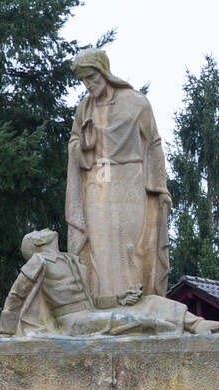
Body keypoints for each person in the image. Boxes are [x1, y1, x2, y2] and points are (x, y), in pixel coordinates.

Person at [66, 49, 171, 306]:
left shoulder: (136, 103)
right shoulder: (84, 108)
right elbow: (74, 143)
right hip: (97, 179)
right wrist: (84, 146)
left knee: (131, 244)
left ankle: (135, 304)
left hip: (129, 178)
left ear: (104, 72)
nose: (88, 85)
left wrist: (159, 188)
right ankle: (104, 306)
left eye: (91, 77)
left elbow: (154, 144)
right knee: (100, 247)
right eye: (83, 81)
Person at [0, 229, 219, 337]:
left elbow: (92, 302)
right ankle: (177, 334)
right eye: (38, 231)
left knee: (150, 301)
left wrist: (119, 299)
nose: (45, 229)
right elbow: (16, 296)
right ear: (36, 244)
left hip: (90, 314)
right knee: (133, 321)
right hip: (72, 323)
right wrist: (5, 332)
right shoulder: (39, 261)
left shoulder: (70, 261)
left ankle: (196, 325)